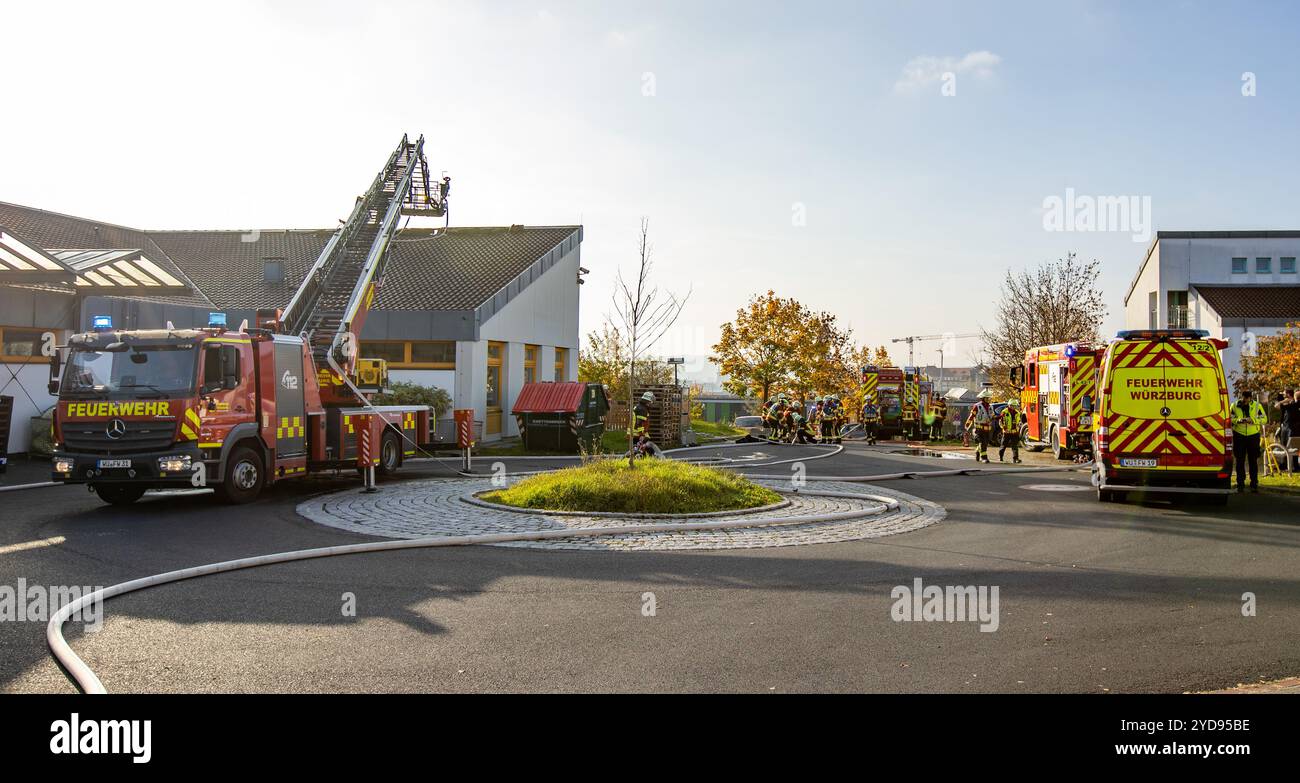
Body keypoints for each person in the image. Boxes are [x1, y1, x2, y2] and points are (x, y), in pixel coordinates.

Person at [1231, 389, 1268, 492]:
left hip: (1253, 436)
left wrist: (1253, 420)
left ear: (1250, 398)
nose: (1245, 401)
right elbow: (1229, 418)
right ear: (1241, 397)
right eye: (1243, 399)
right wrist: (1237, 420)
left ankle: (1254, 484)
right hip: (1239, 435)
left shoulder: (1257, 406)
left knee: (1253, 461)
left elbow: (1264, 419)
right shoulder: (1234, 405)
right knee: (1240, 460)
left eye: (1246, 399)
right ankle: (1240, 484)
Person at [966, 389, 996, 463]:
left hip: (987, 428)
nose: (988, 399)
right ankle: (984, 457)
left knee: (985, 443)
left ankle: (977, 451)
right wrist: (967, 424)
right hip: (979, 428)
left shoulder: (990, 407)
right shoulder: (977, 406)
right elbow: (972, 415)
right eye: (987, 398)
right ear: (983, 398)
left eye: (989, 398)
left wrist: (996, 417)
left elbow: (992, 416)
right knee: (983, 442)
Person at [1274, 389, 1297, 472]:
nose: (1282, 394)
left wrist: (1284, 401)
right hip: (1285, 427)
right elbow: (1278, 408)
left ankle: (1291, 466)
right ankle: (1286, 465)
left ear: (1288, 394)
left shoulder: (1293, 403)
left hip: (1289, 429)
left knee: (1289, 447)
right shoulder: (1288, 403)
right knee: (1285, 447)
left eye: (1284, 393)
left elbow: (1276, 406)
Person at [998, 399, 1023, 463]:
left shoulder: (1017, 412)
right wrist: (1003, 428)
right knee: (1003, 445)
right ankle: (1001, 457)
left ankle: (1016, 459)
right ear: (1009, 405)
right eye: (1012, 406)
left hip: (1014, 432)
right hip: (1006, 432)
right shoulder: (1004, 412)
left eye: (1015, 406)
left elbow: (1019, 421)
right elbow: (1000, 421)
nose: (1013, 407)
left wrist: (1019, 425)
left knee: (1015, 446)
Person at [632, 391, 655, 457]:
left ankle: (643, 460)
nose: (651, 403)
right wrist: (641, 435)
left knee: (642, 449)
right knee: (644, 449)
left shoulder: (640, 407)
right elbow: (639, 423)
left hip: (637, 433)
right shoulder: (642, 409)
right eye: (651, 401)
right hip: (638, 434)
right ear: (648, 401)